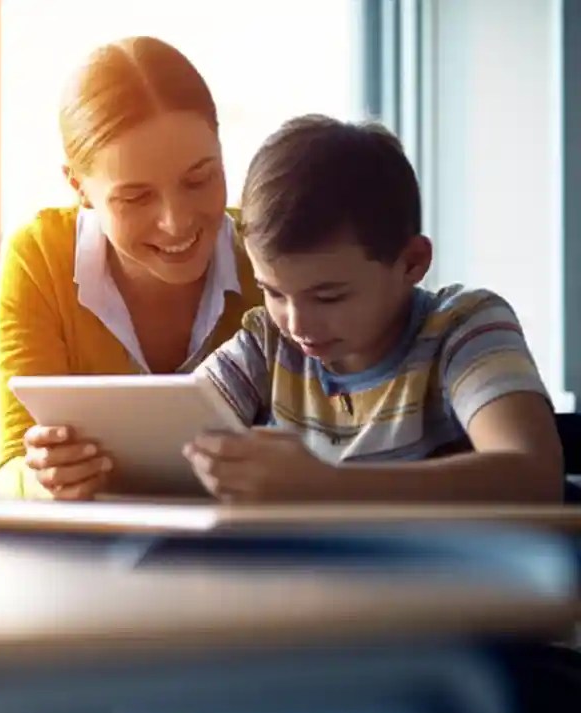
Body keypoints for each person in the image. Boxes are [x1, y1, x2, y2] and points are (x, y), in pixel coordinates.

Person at [187, 114, 562, 503]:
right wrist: (122, 465)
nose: (296, 324)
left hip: (441, 564)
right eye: (274, 293)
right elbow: (172, 432)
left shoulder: (463, 327)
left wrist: (323, 485)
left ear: (412, 263)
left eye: (329, 296)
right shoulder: (265, 344)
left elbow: (534, 474)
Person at [0, 36, 263, 500]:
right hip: (80, 553)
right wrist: (43, 480)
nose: (177, 222)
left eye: (200, 178)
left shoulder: (268, 255)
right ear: (80, 188)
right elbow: (5, 472)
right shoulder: (40, 257)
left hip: (237, 548)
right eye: (135, 197)